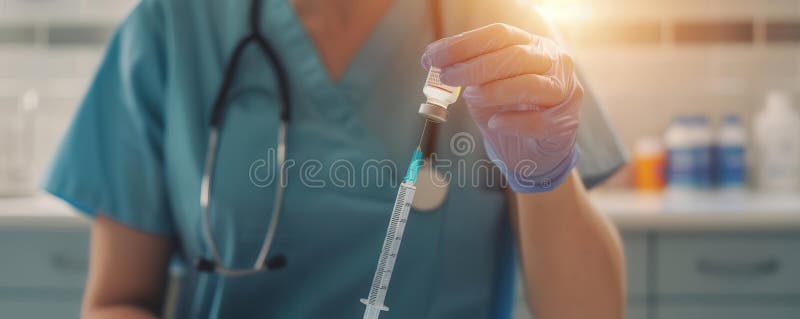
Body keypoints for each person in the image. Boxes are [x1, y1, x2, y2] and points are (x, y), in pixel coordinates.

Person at [44, 0, 628, 318]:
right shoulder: (174, 24)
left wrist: (545, 176)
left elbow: (591, 313)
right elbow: (117, 300)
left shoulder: (503, 33)